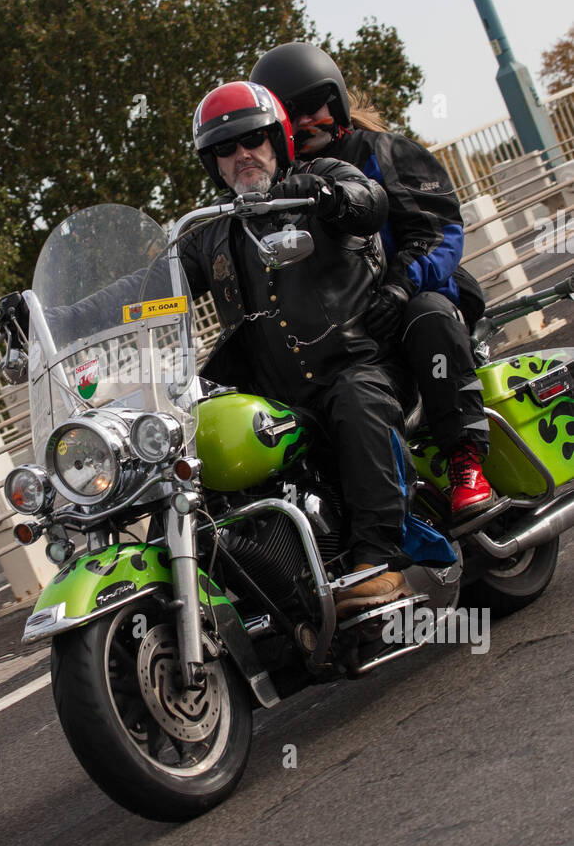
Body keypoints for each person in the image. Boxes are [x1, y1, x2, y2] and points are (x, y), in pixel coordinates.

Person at [183, 79, 450, 616]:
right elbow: (144, 290)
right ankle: (265, 594)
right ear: (212, 162)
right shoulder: (209, 231)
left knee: (356, 400)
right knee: (196, 451)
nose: (241, 155)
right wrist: (46, 313)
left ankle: (379, 561)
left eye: (252, 139)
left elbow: (368, 203)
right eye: (224, 149)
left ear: (277, 139)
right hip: (278, 398)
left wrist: (329, 199)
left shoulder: (321, 178)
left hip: (360, 363)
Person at [249, 42, 495, 521]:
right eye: (289, 113)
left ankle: (465, 459)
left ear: (336, 102)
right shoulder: (282, 186)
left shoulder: (382, 152)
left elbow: (440, 231)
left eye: (312, 108)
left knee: (425, 313)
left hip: (410, 307)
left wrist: (401, 286)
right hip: (349, 331)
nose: (302, 123)